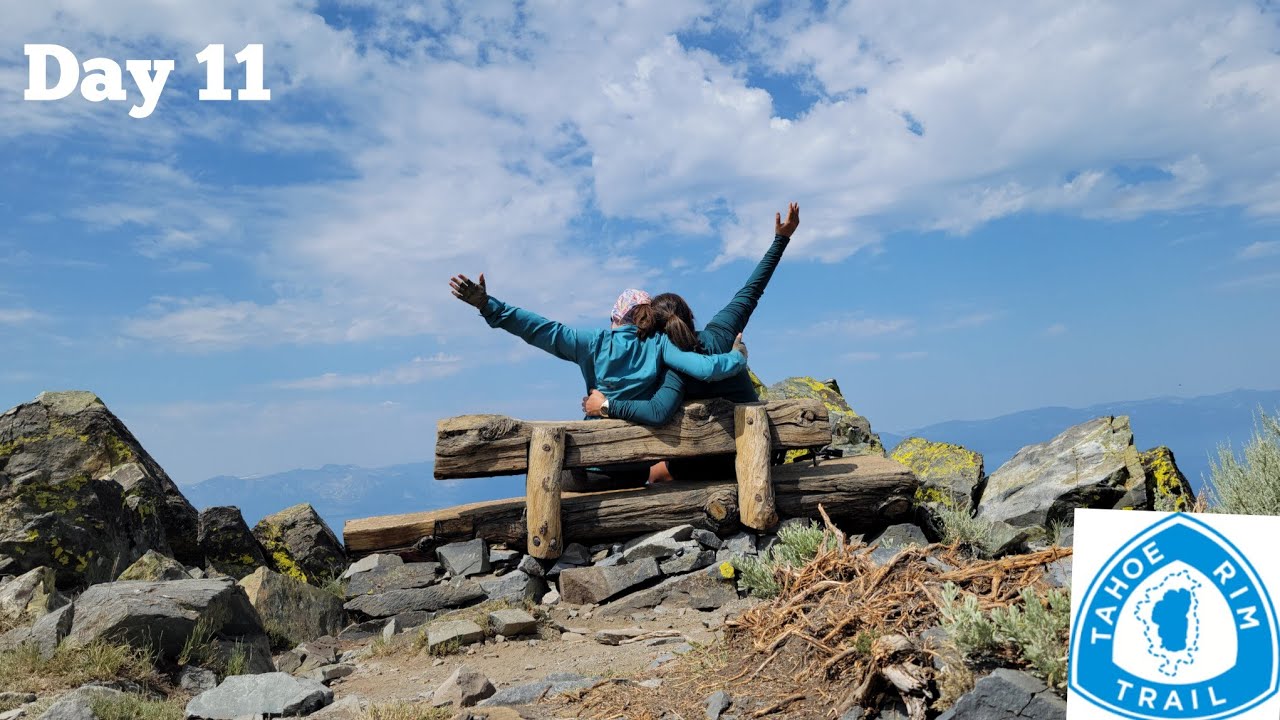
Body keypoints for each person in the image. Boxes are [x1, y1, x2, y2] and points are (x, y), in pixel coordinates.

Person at [581, 202, 799, 482]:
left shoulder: (673, 369)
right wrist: (782, 238)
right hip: (759, 451)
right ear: (690, 315)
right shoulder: (722, 332)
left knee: (656, 472)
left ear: (654, 332)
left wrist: (606, 405)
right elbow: (752, 289)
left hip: (719, 463)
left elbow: (656, 411)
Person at [448, 275, 751, 413]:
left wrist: (490, 306)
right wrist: (737, 358)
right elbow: (706, 368)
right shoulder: (660, 344)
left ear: (616, 316)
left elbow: (539, 329)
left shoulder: (593, 342)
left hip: (593, 461)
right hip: (634, 466)